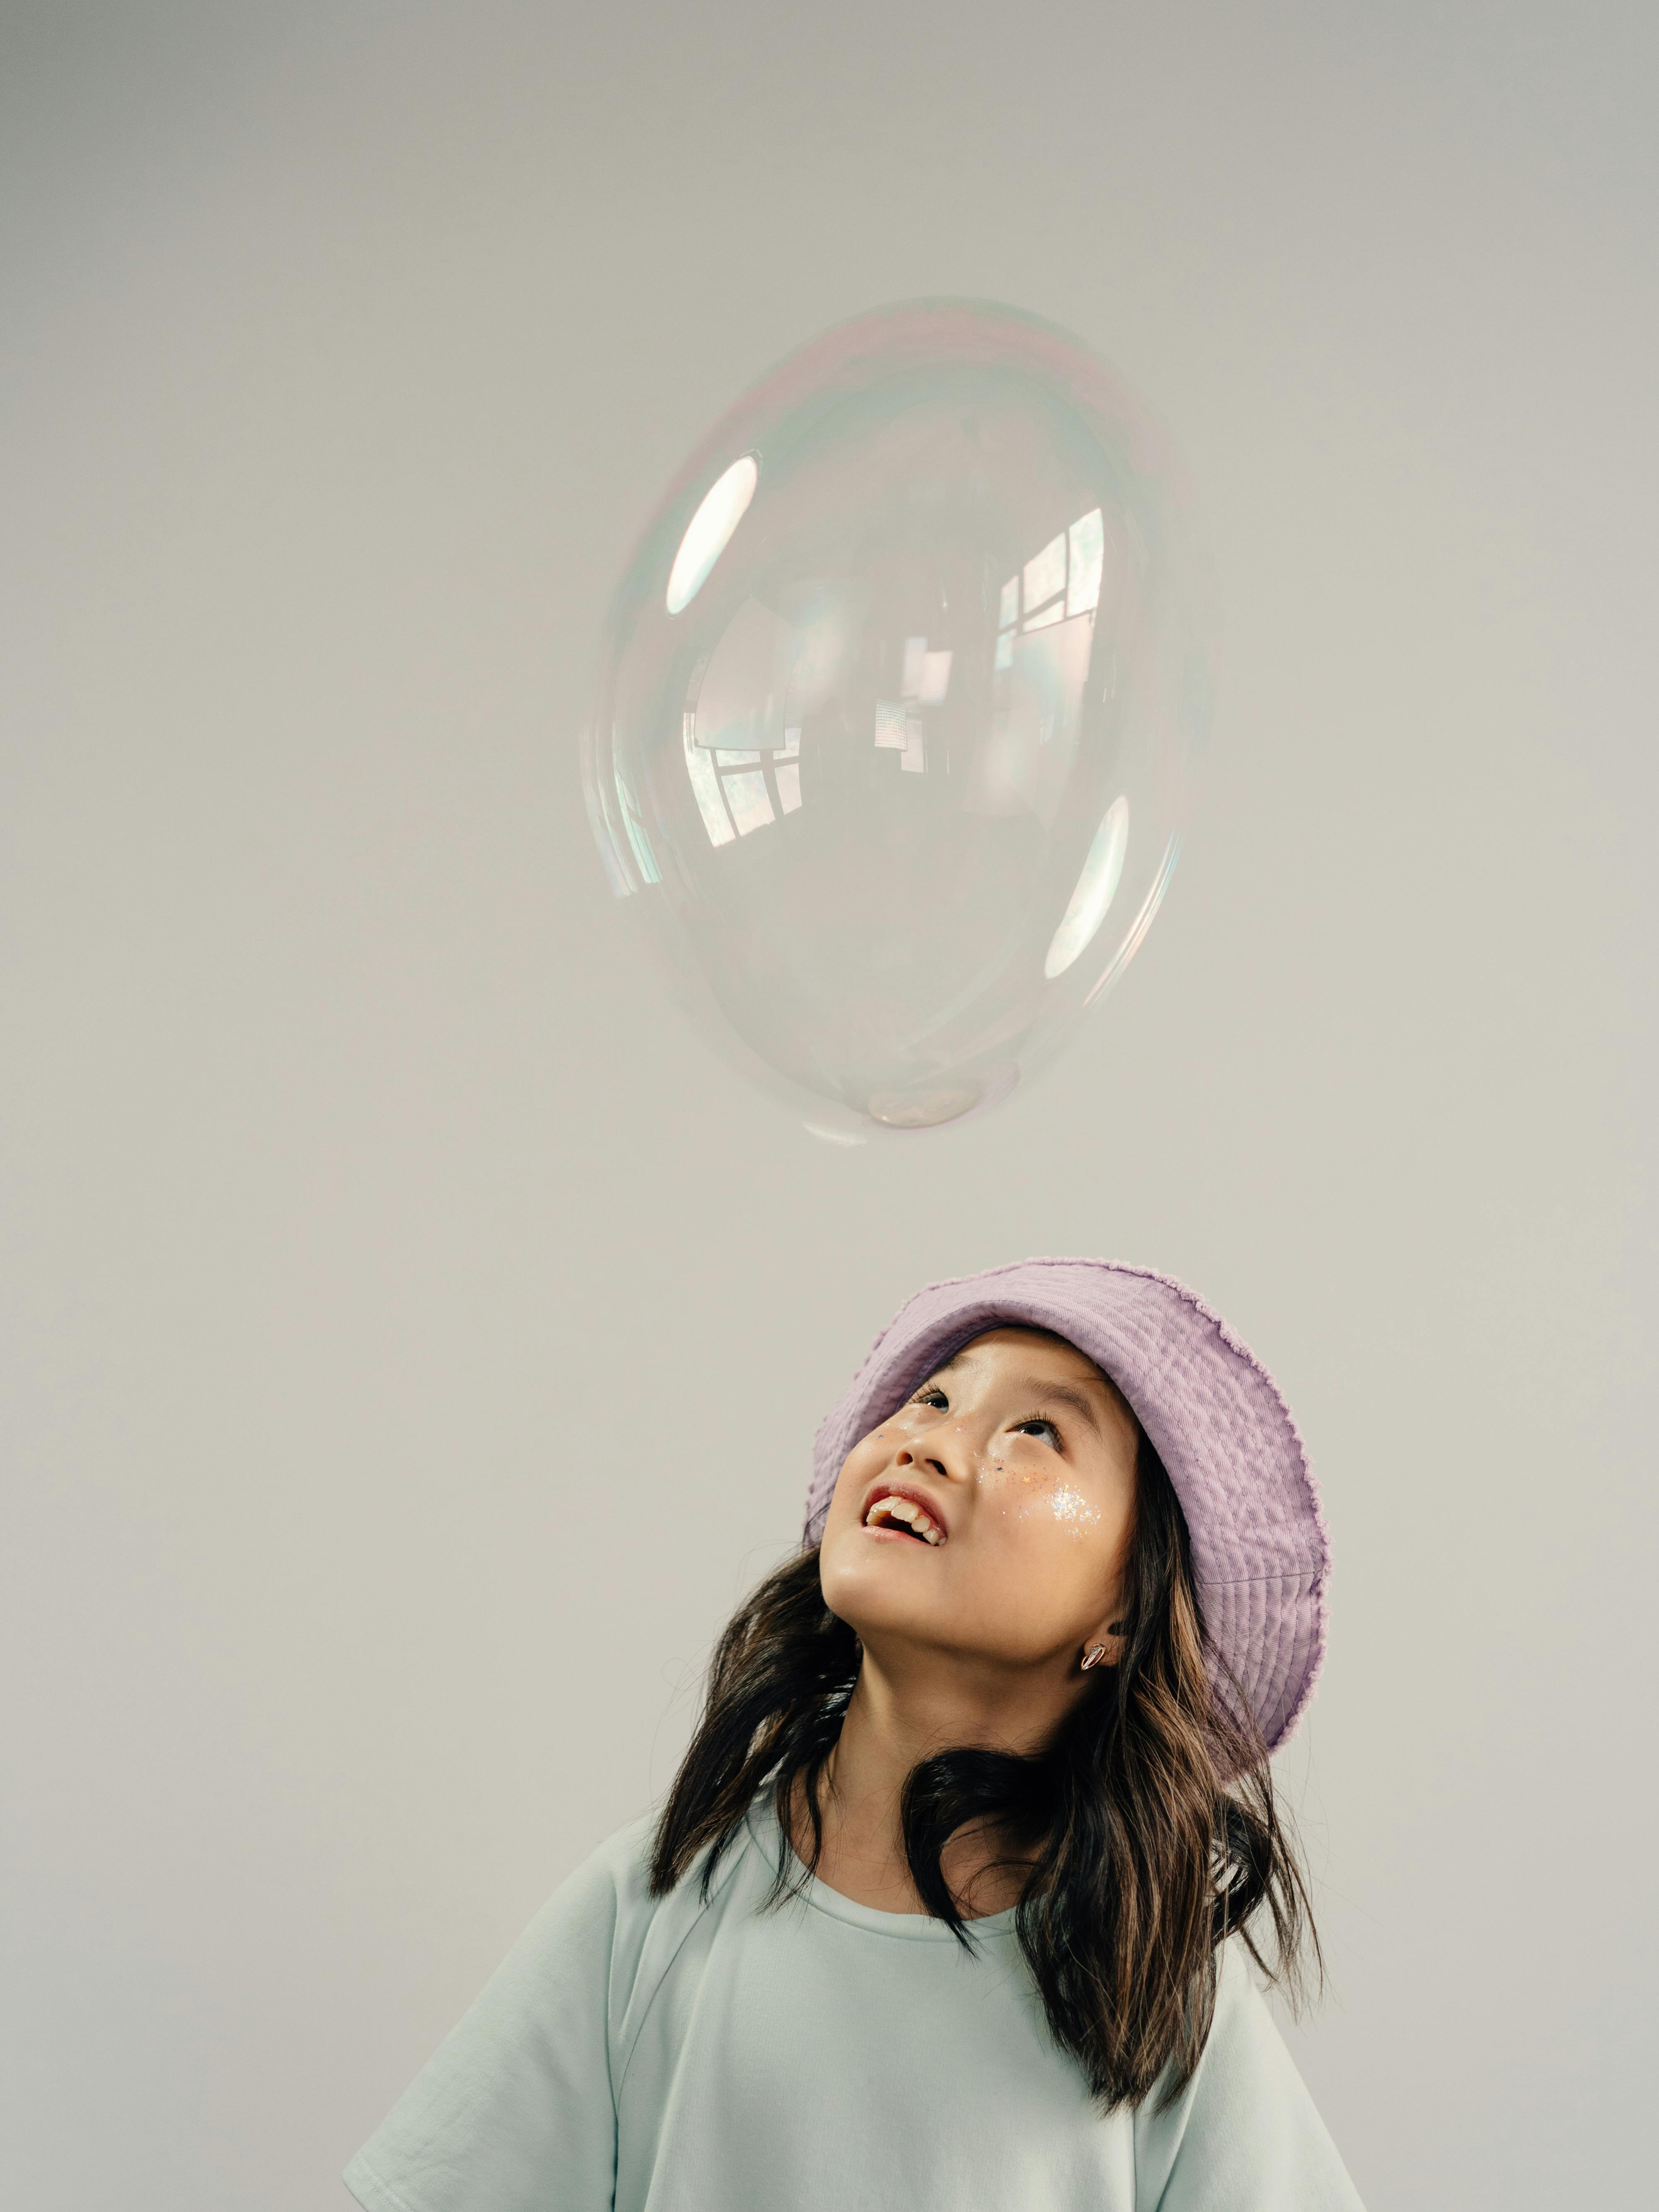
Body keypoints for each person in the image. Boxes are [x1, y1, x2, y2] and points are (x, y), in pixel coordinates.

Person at [343, 1258, 1366, 2210]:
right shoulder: (651, 1915)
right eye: (932, 1399)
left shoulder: (1154, 1998)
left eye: (1038, 1434)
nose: (928, 1439)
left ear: (1125, 1618)